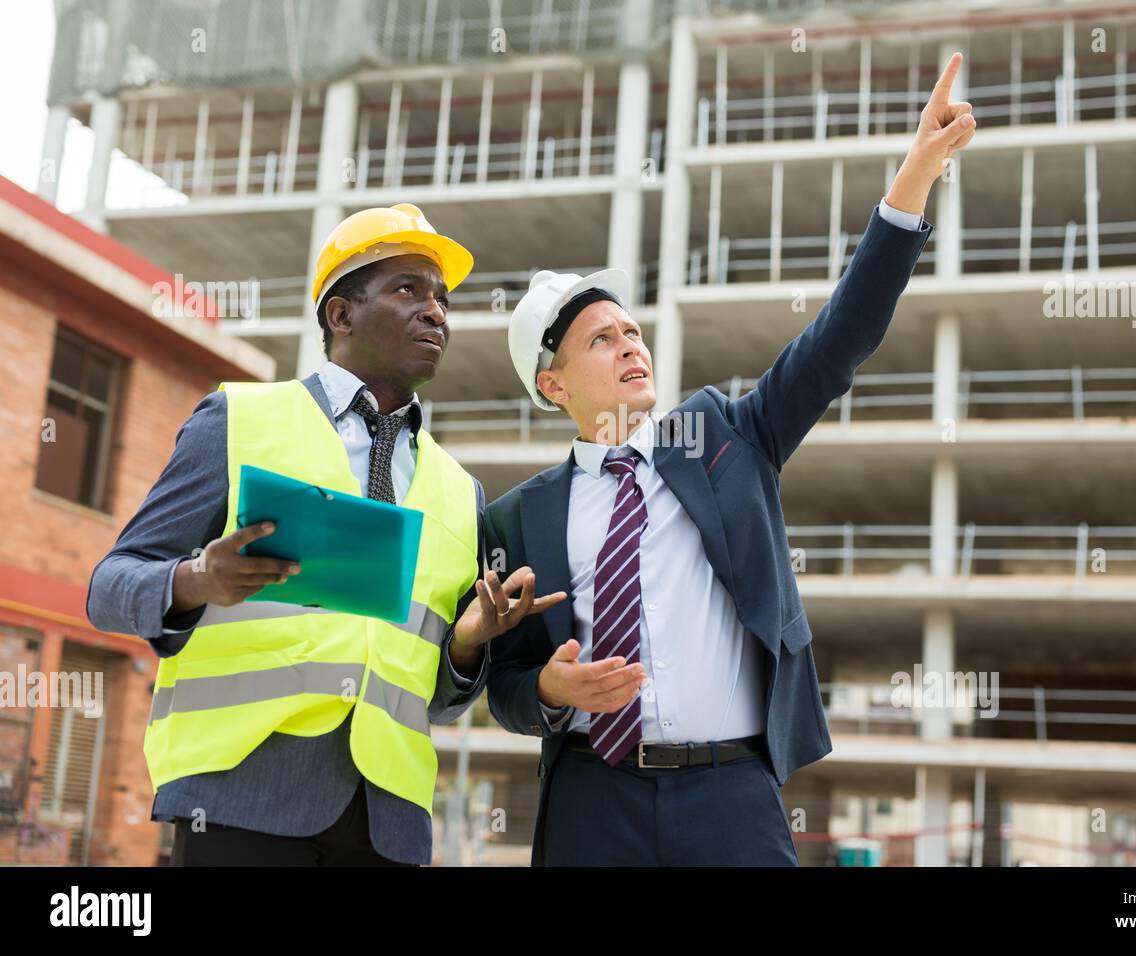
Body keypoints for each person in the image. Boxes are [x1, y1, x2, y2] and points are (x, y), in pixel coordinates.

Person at [485, 55, 976, 865]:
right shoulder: (517, 515)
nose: (629, 346)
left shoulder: (720, 436)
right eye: (601, 339)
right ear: (553, 382)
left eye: (632, 330)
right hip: (588, 796)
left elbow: (835, 342)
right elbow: (498, 683)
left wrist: (913, 180)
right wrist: (543, 690)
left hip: (731, 796)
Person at [87, 203, 561, 866]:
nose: (436, 313)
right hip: (239, 799)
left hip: (387, 821)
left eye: (441, 299)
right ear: (340, 315)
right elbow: (108, 587)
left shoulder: (460, 491)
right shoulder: (239, 420)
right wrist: (196, 578)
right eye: (407, 290)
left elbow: (443, 699)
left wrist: (468, 643)